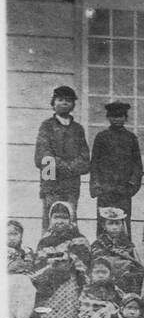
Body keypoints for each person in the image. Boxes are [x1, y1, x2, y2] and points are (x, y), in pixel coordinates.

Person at [34, 84, 91, 227]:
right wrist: (63, 166)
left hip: (71, 184)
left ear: (73, 105)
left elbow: (85, 157)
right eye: (60, 99)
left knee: (70, 218)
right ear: (53, 103)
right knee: (51, 219)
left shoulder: (78, 129)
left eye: (68, 100)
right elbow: (42, 155)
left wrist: (72, 168)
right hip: (51, 182)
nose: (64, 103)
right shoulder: (46, 126)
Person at [89, 100, 143, 241]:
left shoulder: (131, 138)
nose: (117, 119)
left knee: (123, 224)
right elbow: (94, 163)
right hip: (105, 190)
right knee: (104, 223)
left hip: (123, 191)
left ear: (125, 118)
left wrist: (132, 186)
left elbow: (137, 165)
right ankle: (102, 255)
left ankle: (124, 255)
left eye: (120, 116)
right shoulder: (101, 137)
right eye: (113, 116)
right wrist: (96, 186)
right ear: (108, 117)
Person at [31, 201, 91, 318]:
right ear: (50, 219)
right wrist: (51, 263)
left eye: (64, 217)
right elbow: (38, 263)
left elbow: (85, 263)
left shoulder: (79, 239)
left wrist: (69, 259)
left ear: (71, 220)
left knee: (69, 283)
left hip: (71, 278)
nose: (60, 221)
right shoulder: (44, 241)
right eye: (56, 217)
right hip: (48, 278)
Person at [92, 206, 144, 294]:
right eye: (110, 223)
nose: (114, 227)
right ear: (104, 226)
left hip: (124, 278)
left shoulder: (127, 244)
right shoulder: (98, 243)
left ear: (122, 225)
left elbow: (134, 262)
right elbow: (97, 261)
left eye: (117, 223)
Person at [8, 220, 37, 318]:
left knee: (27, 287)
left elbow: (30, 266)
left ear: (21, 235)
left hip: (24, 280)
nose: (11, 238)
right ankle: (9, 317)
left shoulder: (26, 251)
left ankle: (22, 317)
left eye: (15, 234)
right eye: (7, 234)